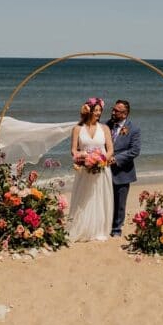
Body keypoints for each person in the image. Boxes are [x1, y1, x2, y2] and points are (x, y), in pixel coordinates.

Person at [68, 97, 114, 242]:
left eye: (100, 111)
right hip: (84, 170)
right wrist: (82, 158)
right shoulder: (77, 129)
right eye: (96, 110)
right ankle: (82, 229)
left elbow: (110, 149)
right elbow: (74, 150)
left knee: (99, 198)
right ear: (89, 111)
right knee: (84, 198)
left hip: (101, 169)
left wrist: (101, 160)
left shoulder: (105, 128)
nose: (98, 113)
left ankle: (98, 230)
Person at [106, 99, 141, 237]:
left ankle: (116, 229)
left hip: (123, 172)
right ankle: (106, 226)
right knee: (106, 201)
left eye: (116, 111)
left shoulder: (134, 129)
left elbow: (135, 150)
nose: (113, 112)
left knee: (120, 203)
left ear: (125, 114)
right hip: (105, 171)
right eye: (113, 109)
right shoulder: (106, 125)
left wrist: (116, 159)